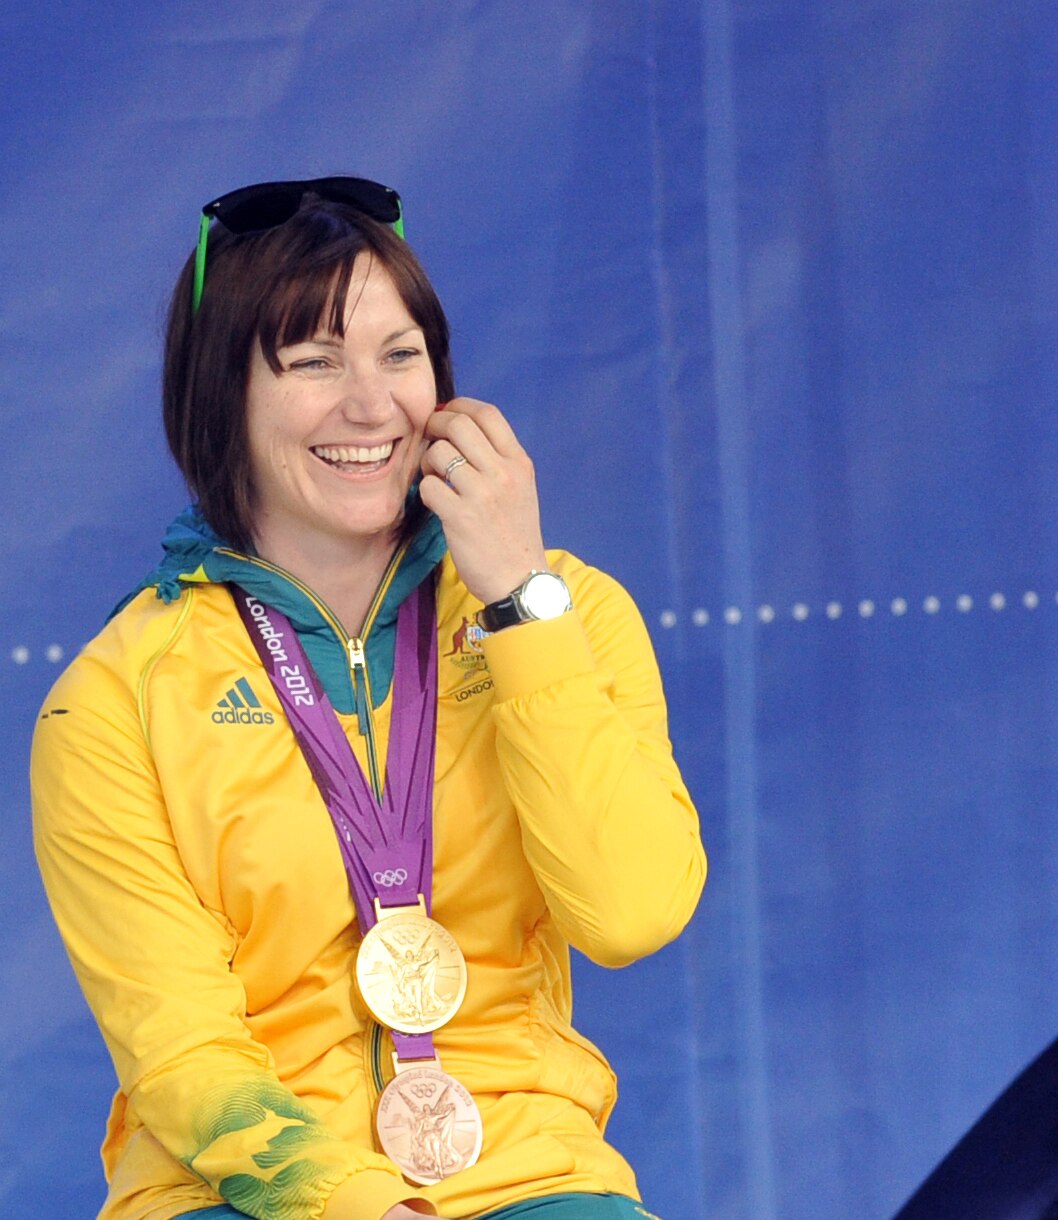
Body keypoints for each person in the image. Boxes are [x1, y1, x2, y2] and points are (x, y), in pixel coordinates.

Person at [31, 178, 707, 1220]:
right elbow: (181, 1051)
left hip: (530, 1178)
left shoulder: (564, 611)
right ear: (222, 393)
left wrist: (522, 605)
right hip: (239, 1194)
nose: (369, 403)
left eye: (401, 355)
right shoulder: (117, 698)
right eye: (312, 361)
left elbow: (633, 911)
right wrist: (350, 1204)